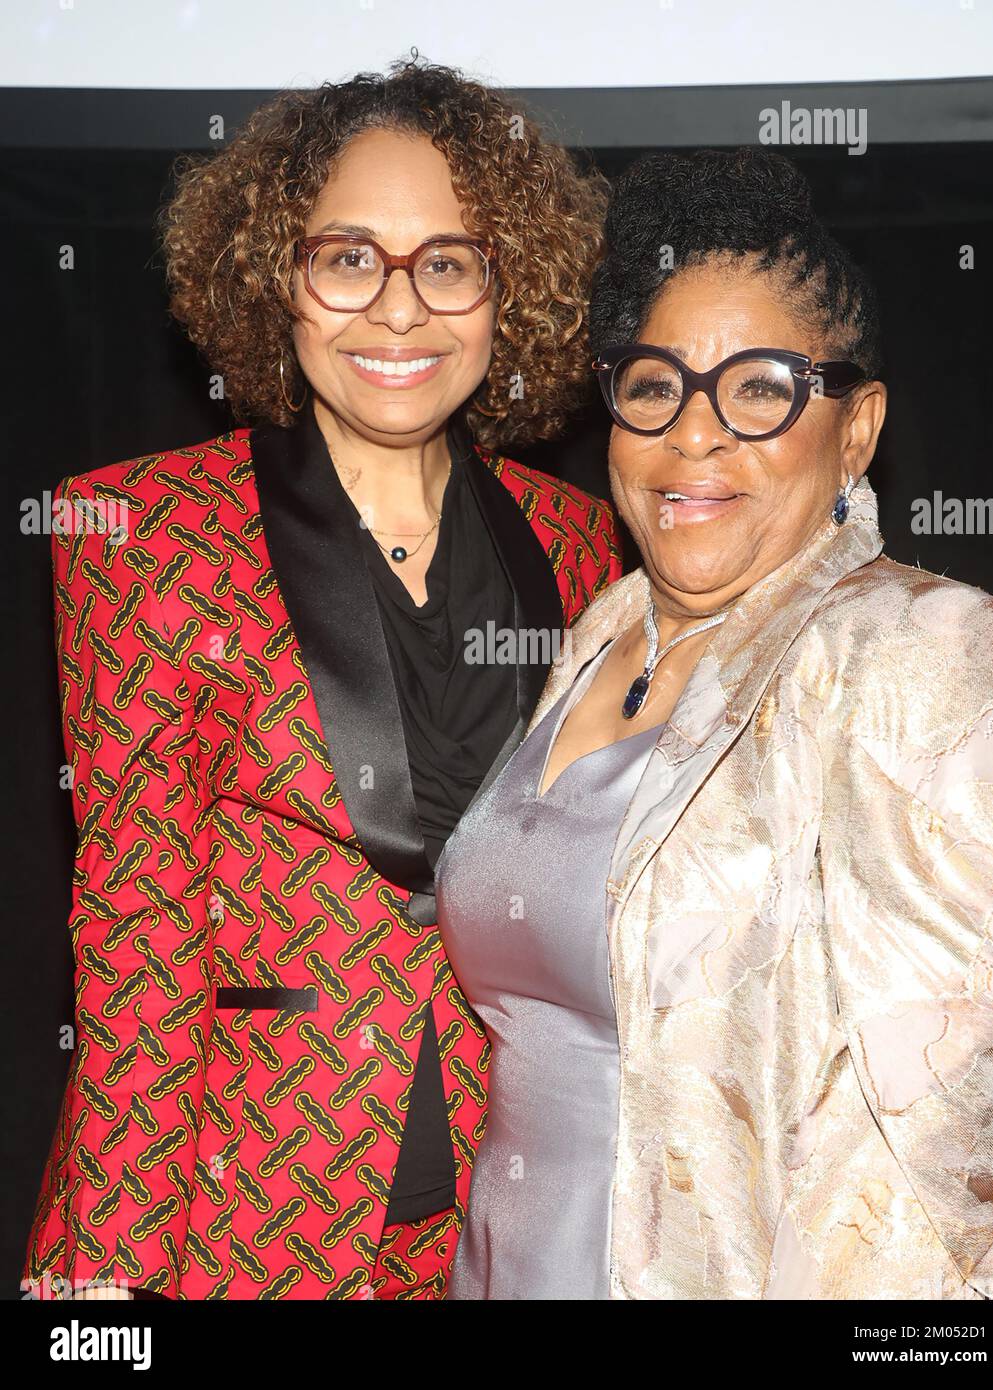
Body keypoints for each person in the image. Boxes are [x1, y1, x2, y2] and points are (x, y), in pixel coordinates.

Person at [24, 57, 621, 1302]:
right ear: (275, 281)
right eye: (348, 258)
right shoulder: (141, 532)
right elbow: (138, 927)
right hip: (228, 1200)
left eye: (448, 261)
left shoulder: (573, 540)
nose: (398, 311)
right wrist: (107, 1277)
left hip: (501, 1201)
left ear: (506, 291)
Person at [435, 148, 993, 1300]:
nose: (693, 433)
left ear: (853, 431)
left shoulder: (943, 661)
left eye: (759, 386)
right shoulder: (593, 636)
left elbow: (959, 1150)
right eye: (653, 383)